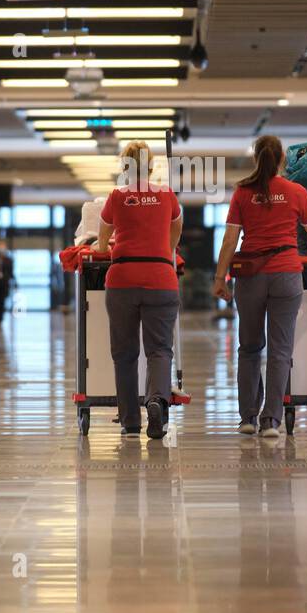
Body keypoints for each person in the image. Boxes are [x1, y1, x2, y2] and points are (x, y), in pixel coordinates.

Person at [213, 135, 307, 438]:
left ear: (256, 158)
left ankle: (247, 418)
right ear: (282, 158)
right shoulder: (296, 192)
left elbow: (230, 241)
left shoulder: (242, 193)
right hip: (286, 275)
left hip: (250, 277)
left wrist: (219, 278)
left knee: (249, 348)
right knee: (280, 351)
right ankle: (271, 421)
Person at [96, 141, 183, 440]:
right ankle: (157, 401)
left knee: (125, 353)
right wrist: (163, 252)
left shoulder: (117, 196)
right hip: (160, 276)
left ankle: (130, 421)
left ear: (124, 165)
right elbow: (176, 228)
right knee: (159, 349)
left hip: (122, 278)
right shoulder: (166, 194)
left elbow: (103, 237)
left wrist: (109, 246)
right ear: (150, 165)